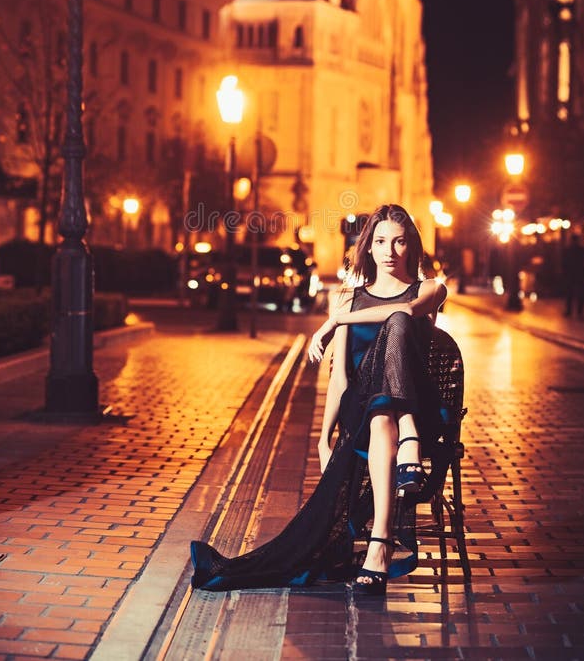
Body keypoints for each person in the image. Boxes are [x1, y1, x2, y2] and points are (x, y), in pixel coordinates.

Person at [190, 204, 447, 596]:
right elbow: (341, 376)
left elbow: (405, 311)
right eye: (380, 242)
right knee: (380, 413)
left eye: (398, 242)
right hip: (361, 408)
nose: (389, 251)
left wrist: (335, 321)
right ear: (369, 246)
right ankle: (383, 534)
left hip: (407, 405)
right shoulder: (349, 298)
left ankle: (379, 542)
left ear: (411, 247)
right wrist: (323, 437)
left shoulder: (430, 289)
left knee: (396, 336)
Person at [561, 233, 584, 318]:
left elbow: (564, 263)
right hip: (579, 274)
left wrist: (564, 272)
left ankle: (569, 311)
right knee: (580, 293)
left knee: (569, 293)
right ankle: (579, 312)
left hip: (571, 274)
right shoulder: (582, 251)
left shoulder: (568, 250)